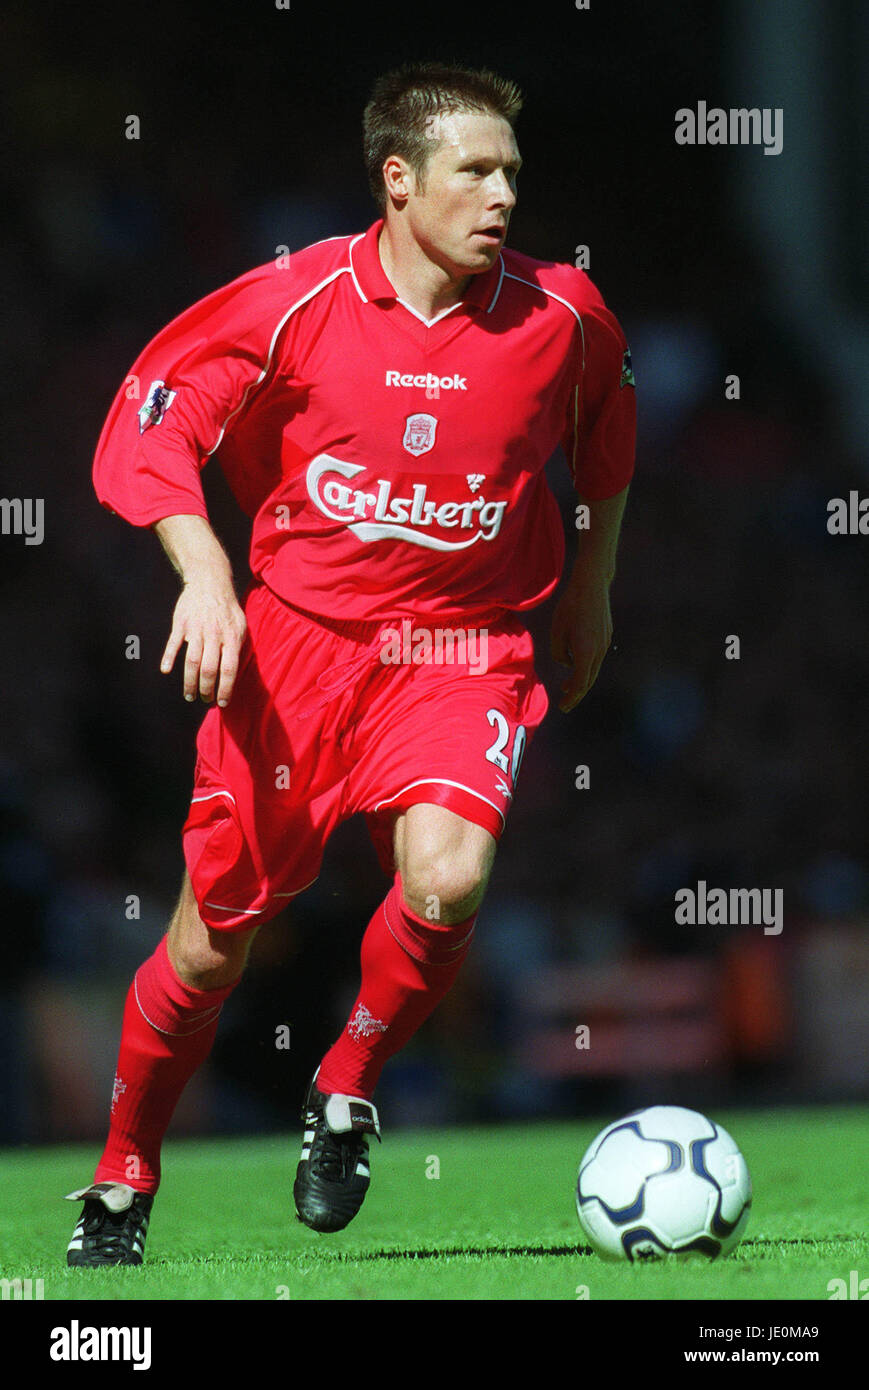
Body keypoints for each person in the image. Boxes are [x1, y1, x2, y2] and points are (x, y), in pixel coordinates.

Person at [65, 61, 635, 1265]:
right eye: (473, 172)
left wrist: (587, 596)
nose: (499, 197)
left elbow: (607, 455)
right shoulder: (290, 301)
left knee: (446, 881)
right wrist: (206, 575)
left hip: (465, 647)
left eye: (511, 174)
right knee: (209, 946)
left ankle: (346, 1084)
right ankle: (121, 1180)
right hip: (299, 650)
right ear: (396, 180)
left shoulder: (564, 317)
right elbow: (156, 414)